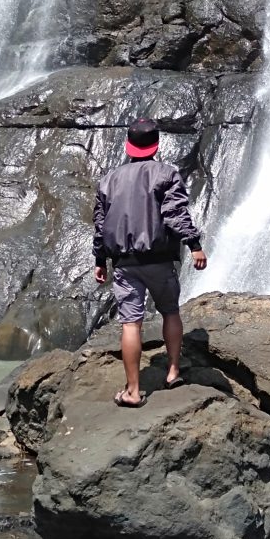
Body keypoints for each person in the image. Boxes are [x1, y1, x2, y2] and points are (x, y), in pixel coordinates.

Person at [92, 117, 208, 408]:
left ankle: (132, 391)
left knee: (131, 324)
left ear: (128, 146)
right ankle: (173, 371)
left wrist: (100, 259)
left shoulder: (109, 180)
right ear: (156, 146)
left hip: (124, 263)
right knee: (170, 312)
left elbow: (100, 224)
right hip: (159, 259)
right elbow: (175, 214)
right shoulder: (167, 174)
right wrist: (194, 245)